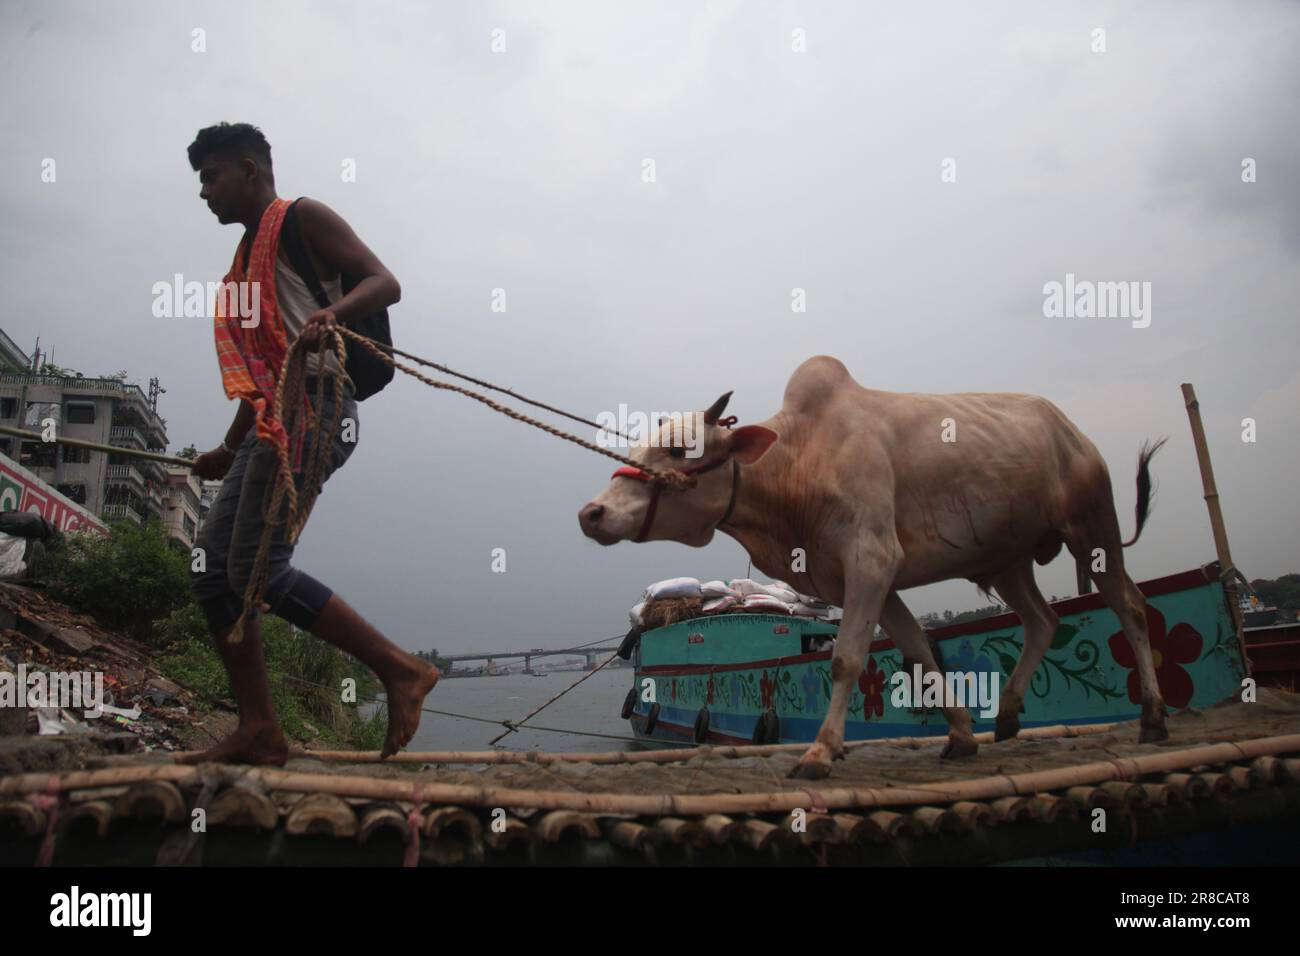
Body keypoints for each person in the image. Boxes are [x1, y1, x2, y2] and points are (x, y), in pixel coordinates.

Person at [183, 122, 438, 766]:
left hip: (320, 405)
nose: (205, 193)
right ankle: (260, 729)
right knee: (213, 570)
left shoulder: (302, 218)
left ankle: (403, 670)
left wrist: (336, 312)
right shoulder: (242, 268)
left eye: (211, 178)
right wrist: (225, 447)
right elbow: (260, 376)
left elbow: (385, 281)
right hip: (271, 418)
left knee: (257, 570)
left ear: (250, 169)